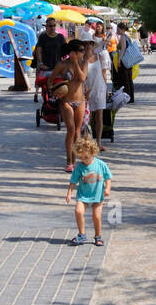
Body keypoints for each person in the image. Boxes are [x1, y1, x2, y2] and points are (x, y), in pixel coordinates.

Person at [48, 38, 89, 172]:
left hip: (80, 101)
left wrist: (76, 63)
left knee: (77, 132)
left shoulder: (83, 63)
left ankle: (75, 159)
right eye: (81, 51)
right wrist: (53, 91)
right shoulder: (62, 65)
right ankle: (68, 161)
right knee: (70, 129)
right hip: (66, 101)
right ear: (73, 52)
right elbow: (50, 80)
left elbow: (82, 78)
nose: (83, 53)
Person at [66, 135, 112, 247]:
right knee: (78, 211)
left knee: (96, 216)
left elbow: (108, 177)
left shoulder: (101, 165)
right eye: (80, 158)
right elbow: (73, 181)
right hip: (83, 196)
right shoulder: (79, 167)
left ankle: (98, 236)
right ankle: (82, 234)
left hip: (97, 196)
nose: (83, 160)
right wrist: (69, 193)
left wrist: (107, 188)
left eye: (85, 157)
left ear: (92, 152)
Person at [86, 37, 112, 151]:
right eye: (85, 44)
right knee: (88, 117)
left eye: (90, 43)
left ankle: (98, 142)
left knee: (99, 116)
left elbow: (104, 74)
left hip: (100, 88)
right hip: (88, 90)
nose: (88, 46)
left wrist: (106, 88)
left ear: (92, 45)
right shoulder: (82, 59)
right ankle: (88, 142)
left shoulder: (99, 57)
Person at [114, 23, 136, 105]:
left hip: (124, 60)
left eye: (118, 29)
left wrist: (119, 59)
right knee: (129, 79)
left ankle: (128, 97)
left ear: (122, 29)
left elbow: (123, 49)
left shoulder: (123, 37)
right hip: (129, 60)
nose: (117, 30)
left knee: (125, 79)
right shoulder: (127, 37)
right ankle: (131, 97)